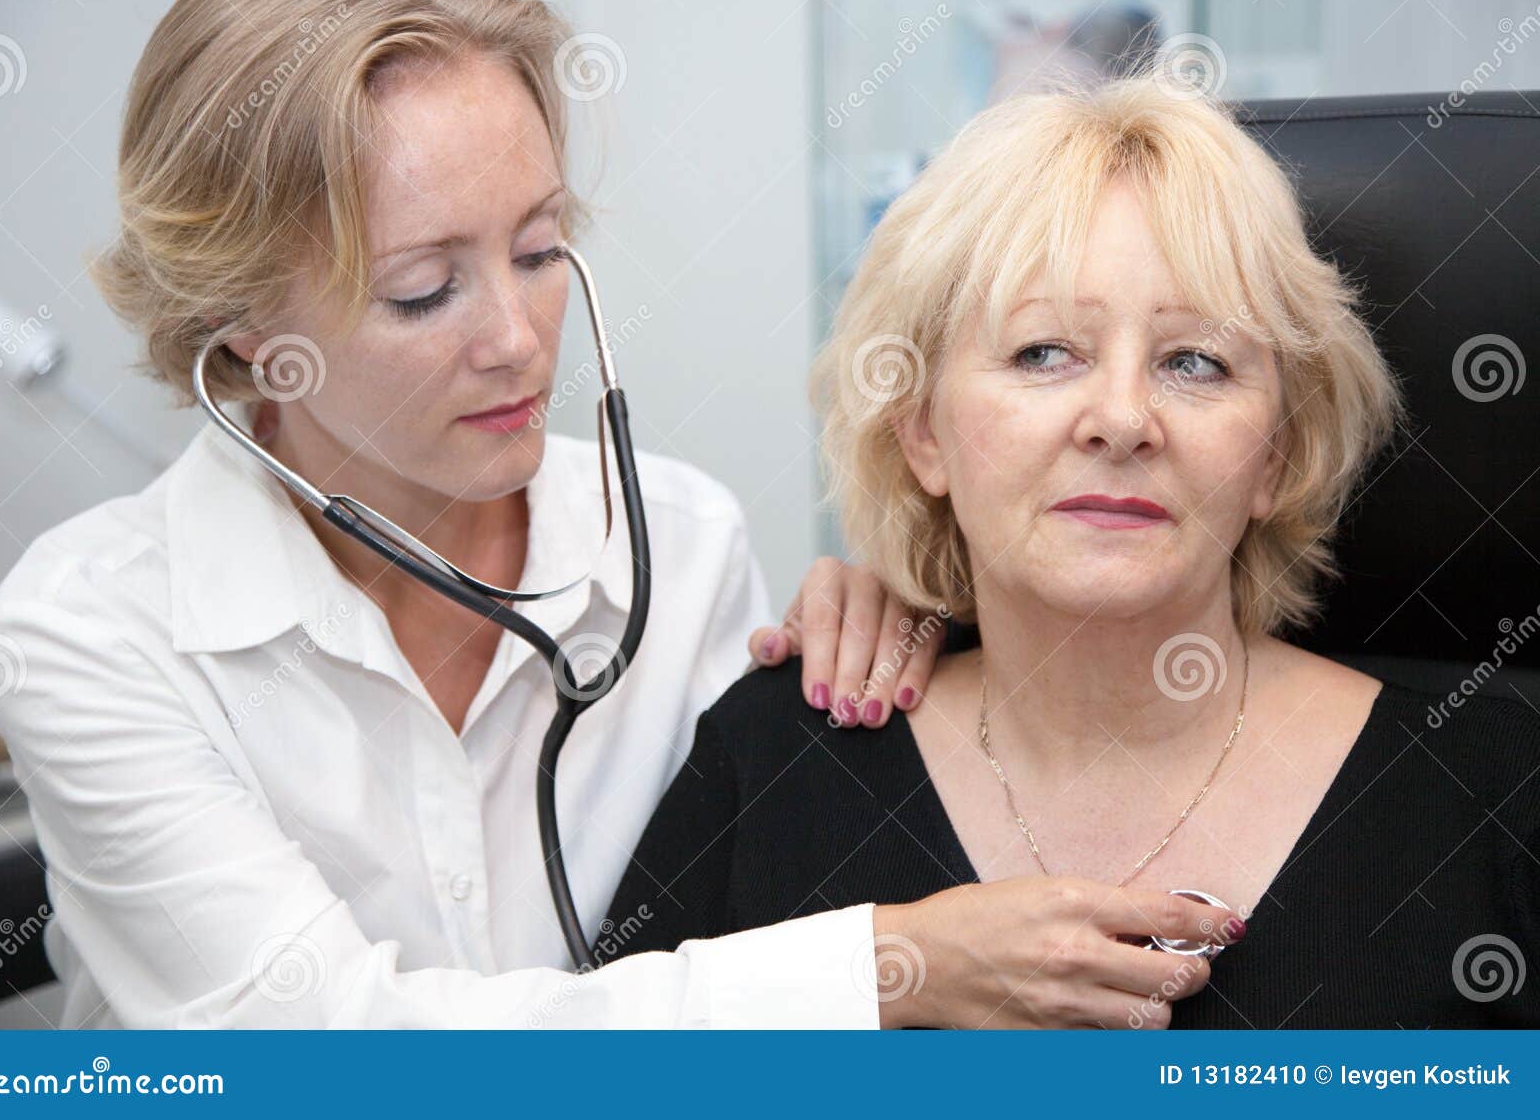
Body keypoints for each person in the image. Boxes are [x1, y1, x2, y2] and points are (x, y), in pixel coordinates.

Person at [0, 0, 1235, 1029]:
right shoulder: (90, 633)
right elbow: (327, 1048)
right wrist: (893, 961)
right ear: (242, 322)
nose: (520, 339)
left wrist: (909, 602)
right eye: (424, 289)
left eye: (538, 249)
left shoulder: (677, 547)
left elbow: (734, 897)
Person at [598, 74, 1540, 1028]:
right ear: (922, 430)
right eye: (1044, 352)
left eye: (1194, 361)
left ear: (1277, 454)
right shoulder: (773, 761)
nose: (1123, 419)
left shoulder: (1496, 790)